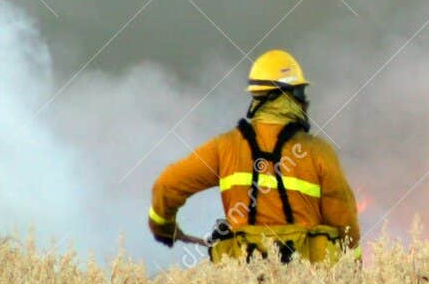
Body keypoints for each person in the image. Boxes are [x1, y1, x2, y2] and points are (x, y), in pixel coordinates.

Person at [147, 50, 361, 262]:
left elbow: (167, 185)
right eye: (300, 94)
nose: (304, 102)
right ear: (287, 96)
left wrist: (163, 227)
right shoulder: (318, 152)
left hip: (242, 281)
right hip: (306, 282)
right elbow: (345, 222)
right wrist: (355, 272)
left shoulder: (225, 147)